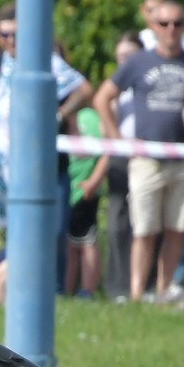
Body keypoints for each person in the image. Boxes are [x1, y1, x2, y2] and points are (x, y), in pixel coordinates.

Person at [93, 0, 184, 301]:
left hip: (183, 157)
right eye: (164, 23)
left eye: (177, 23)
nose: (171, 29)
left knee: (176, 228)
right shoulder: (138, 62)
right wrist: (117, 139)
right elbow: (102, 97)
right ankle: (138, 294)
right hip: (146, 160)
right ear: (153, 26)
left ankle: (165, 291)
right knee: (144, 230)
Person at [0, 0, 90, 234]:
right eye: (5, 34)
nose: (10, 40)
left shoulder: (46, 60)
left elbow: (84, 91)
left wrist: (60, 114)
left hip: (47, 165)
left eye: (16, 34)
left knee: (52, 236)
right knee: (17, 236)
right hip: (7, 167)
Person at [102, 34, 142, 297]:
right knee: (117, 223)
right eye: (120, 58)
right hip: (119, 156)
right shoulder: (115, 89)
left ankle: (142, 284)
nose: (124, 63)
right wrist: (117, 141)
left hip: (147, 156)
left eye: (129, 57)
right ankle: (116, 286)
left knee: (144, 225)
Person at [66, 103, 108, 296]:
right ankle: (66, 290)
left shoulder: (92, 118)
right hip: (64, 188)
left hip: (85, 191)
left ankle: (87, 290)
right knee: (68, 243)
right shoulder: (59, 117)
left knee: (87, 240)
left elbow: (106, 152)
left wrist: (93, 181)